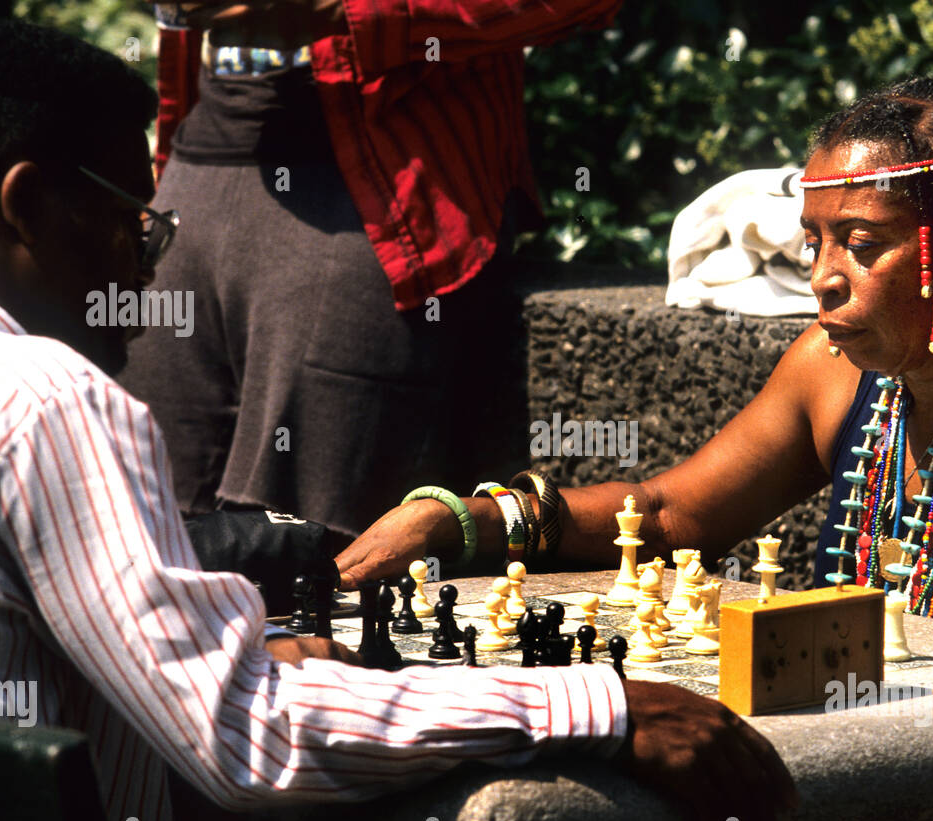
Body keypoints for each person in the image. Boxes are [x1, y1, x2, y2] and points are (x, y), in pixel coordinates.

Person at [0, 15, 793, 821]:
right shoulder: (48, 401)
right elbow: (246, 733)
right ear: (30, 205)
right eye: (133, 221)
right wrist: (598, 704)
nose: (149, 267)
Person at [337, 76, 933, 821]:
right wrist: (467, 521)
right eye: (813, 245)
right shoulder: (832, 367)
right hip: (887, 795)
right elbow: (674, 511)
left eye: (861, 244)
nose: (824, 282)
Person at [118, 0, 621, 541]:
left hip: (388, 185)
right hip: (198, 170)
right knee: (139, 526)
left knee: (309, 552)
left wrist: (343, 9)